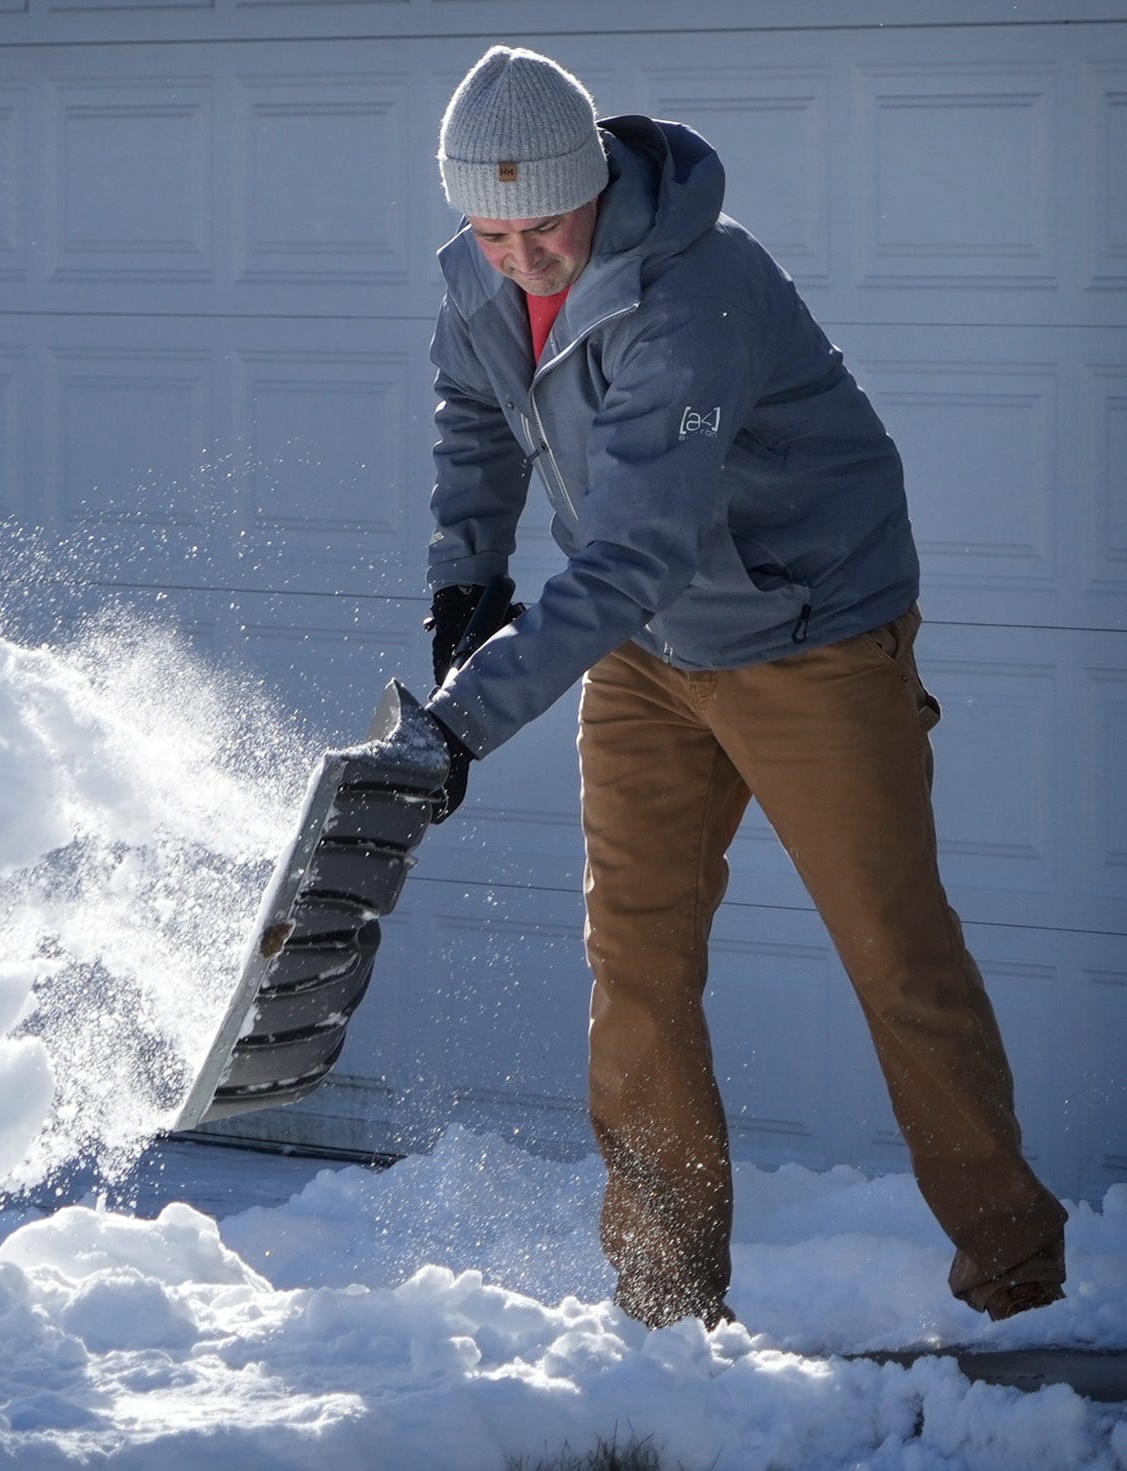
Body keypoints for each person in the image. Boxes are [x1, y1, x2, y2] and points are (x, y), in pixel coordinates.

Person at [411, 44, 1067, 1330]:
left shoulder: (698, 292)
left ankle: (1016, 1280)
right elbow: (471, 411)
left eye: (540, 227)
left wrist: (466, 721)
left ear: (593, 183)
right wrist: (461, 581)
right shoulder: (477, 282)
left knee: (895, 956)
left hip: (809, 633)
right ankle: (663, 1304)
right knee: (638, 966)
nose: (519, 258)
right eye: (489, 232)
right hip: (648, 651)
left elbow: (637, 540)